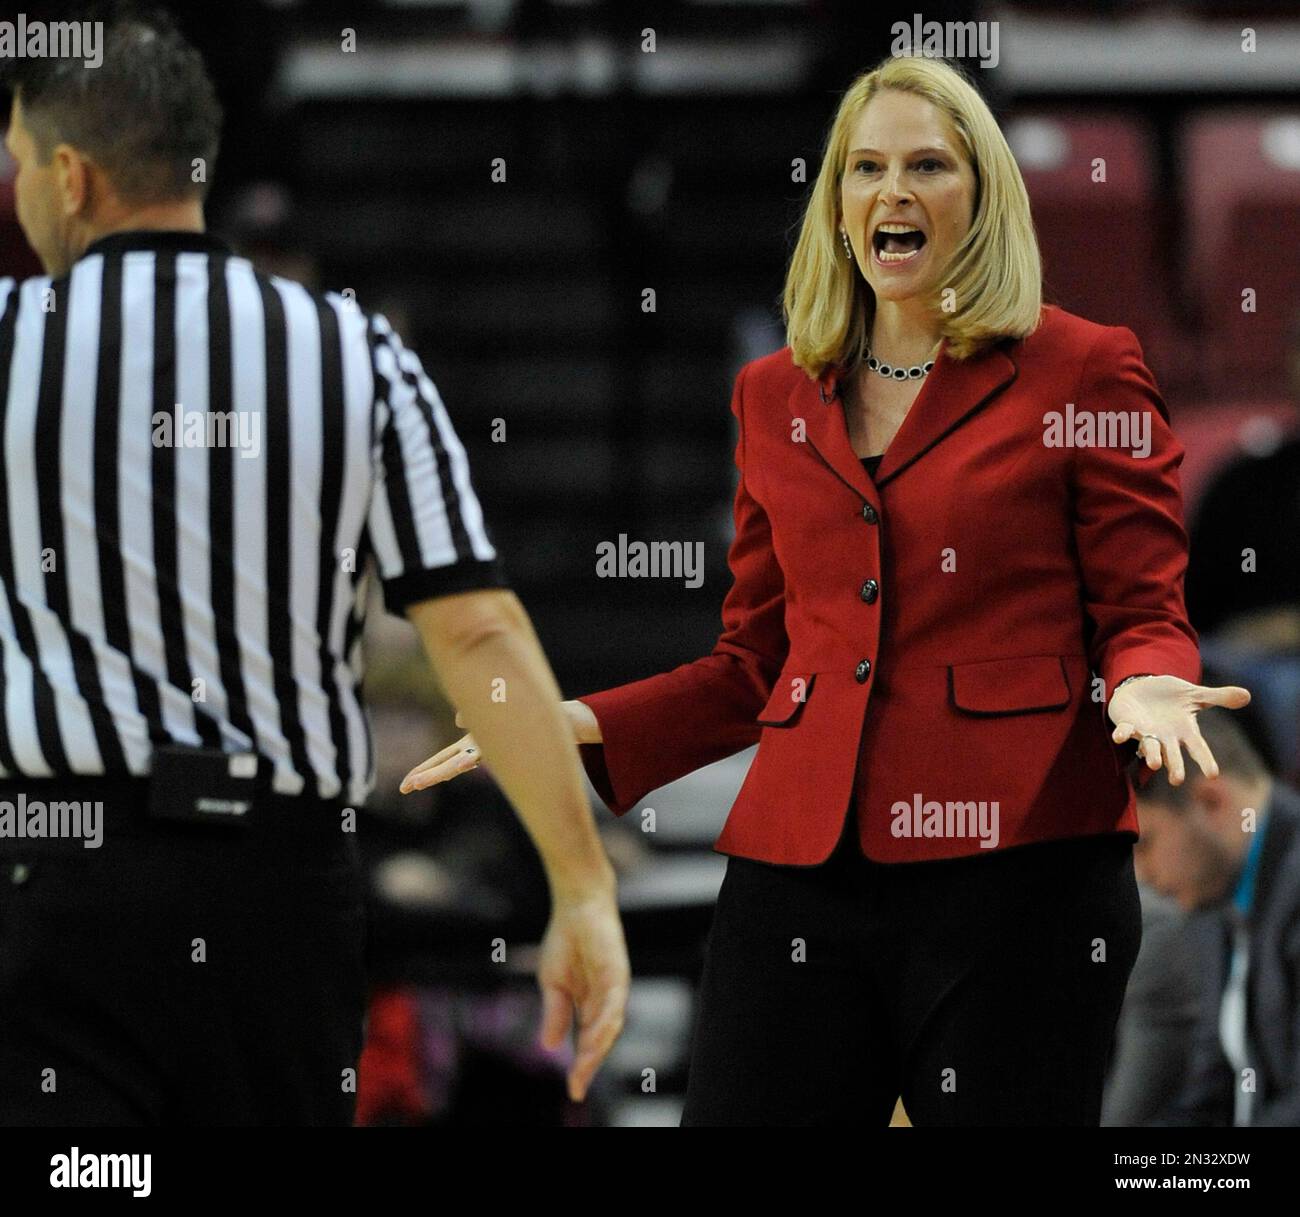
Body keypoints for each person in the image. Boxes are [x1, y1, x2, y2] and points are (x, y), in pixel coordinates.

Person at [401, 54, 1250, 1125]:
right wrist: (566, 719)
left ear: (981, 199)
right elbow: (752, 661)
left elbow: (1141, 609)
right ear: (838, 203)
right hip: (801, 866)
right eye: (866, 167)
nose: (891, 190)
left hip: (1021, 863)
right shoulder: (772, 394)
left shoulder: (1082, 369)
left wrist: (1147, 685)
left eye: (927, 165)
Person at [0, 3, 627, 1126]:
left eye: (18, 169)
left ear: (72, 175)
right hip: (278, 886)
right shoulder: (357, 350)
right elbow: (478, 631)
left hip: (62, 870)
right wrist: (581, 887)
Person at [1134, 708, 1300, 1126]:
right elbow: (1211, 1097)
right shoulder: (1215, 899)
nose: (1142, 874)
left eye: (1145, 844)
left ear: (1210, 800)